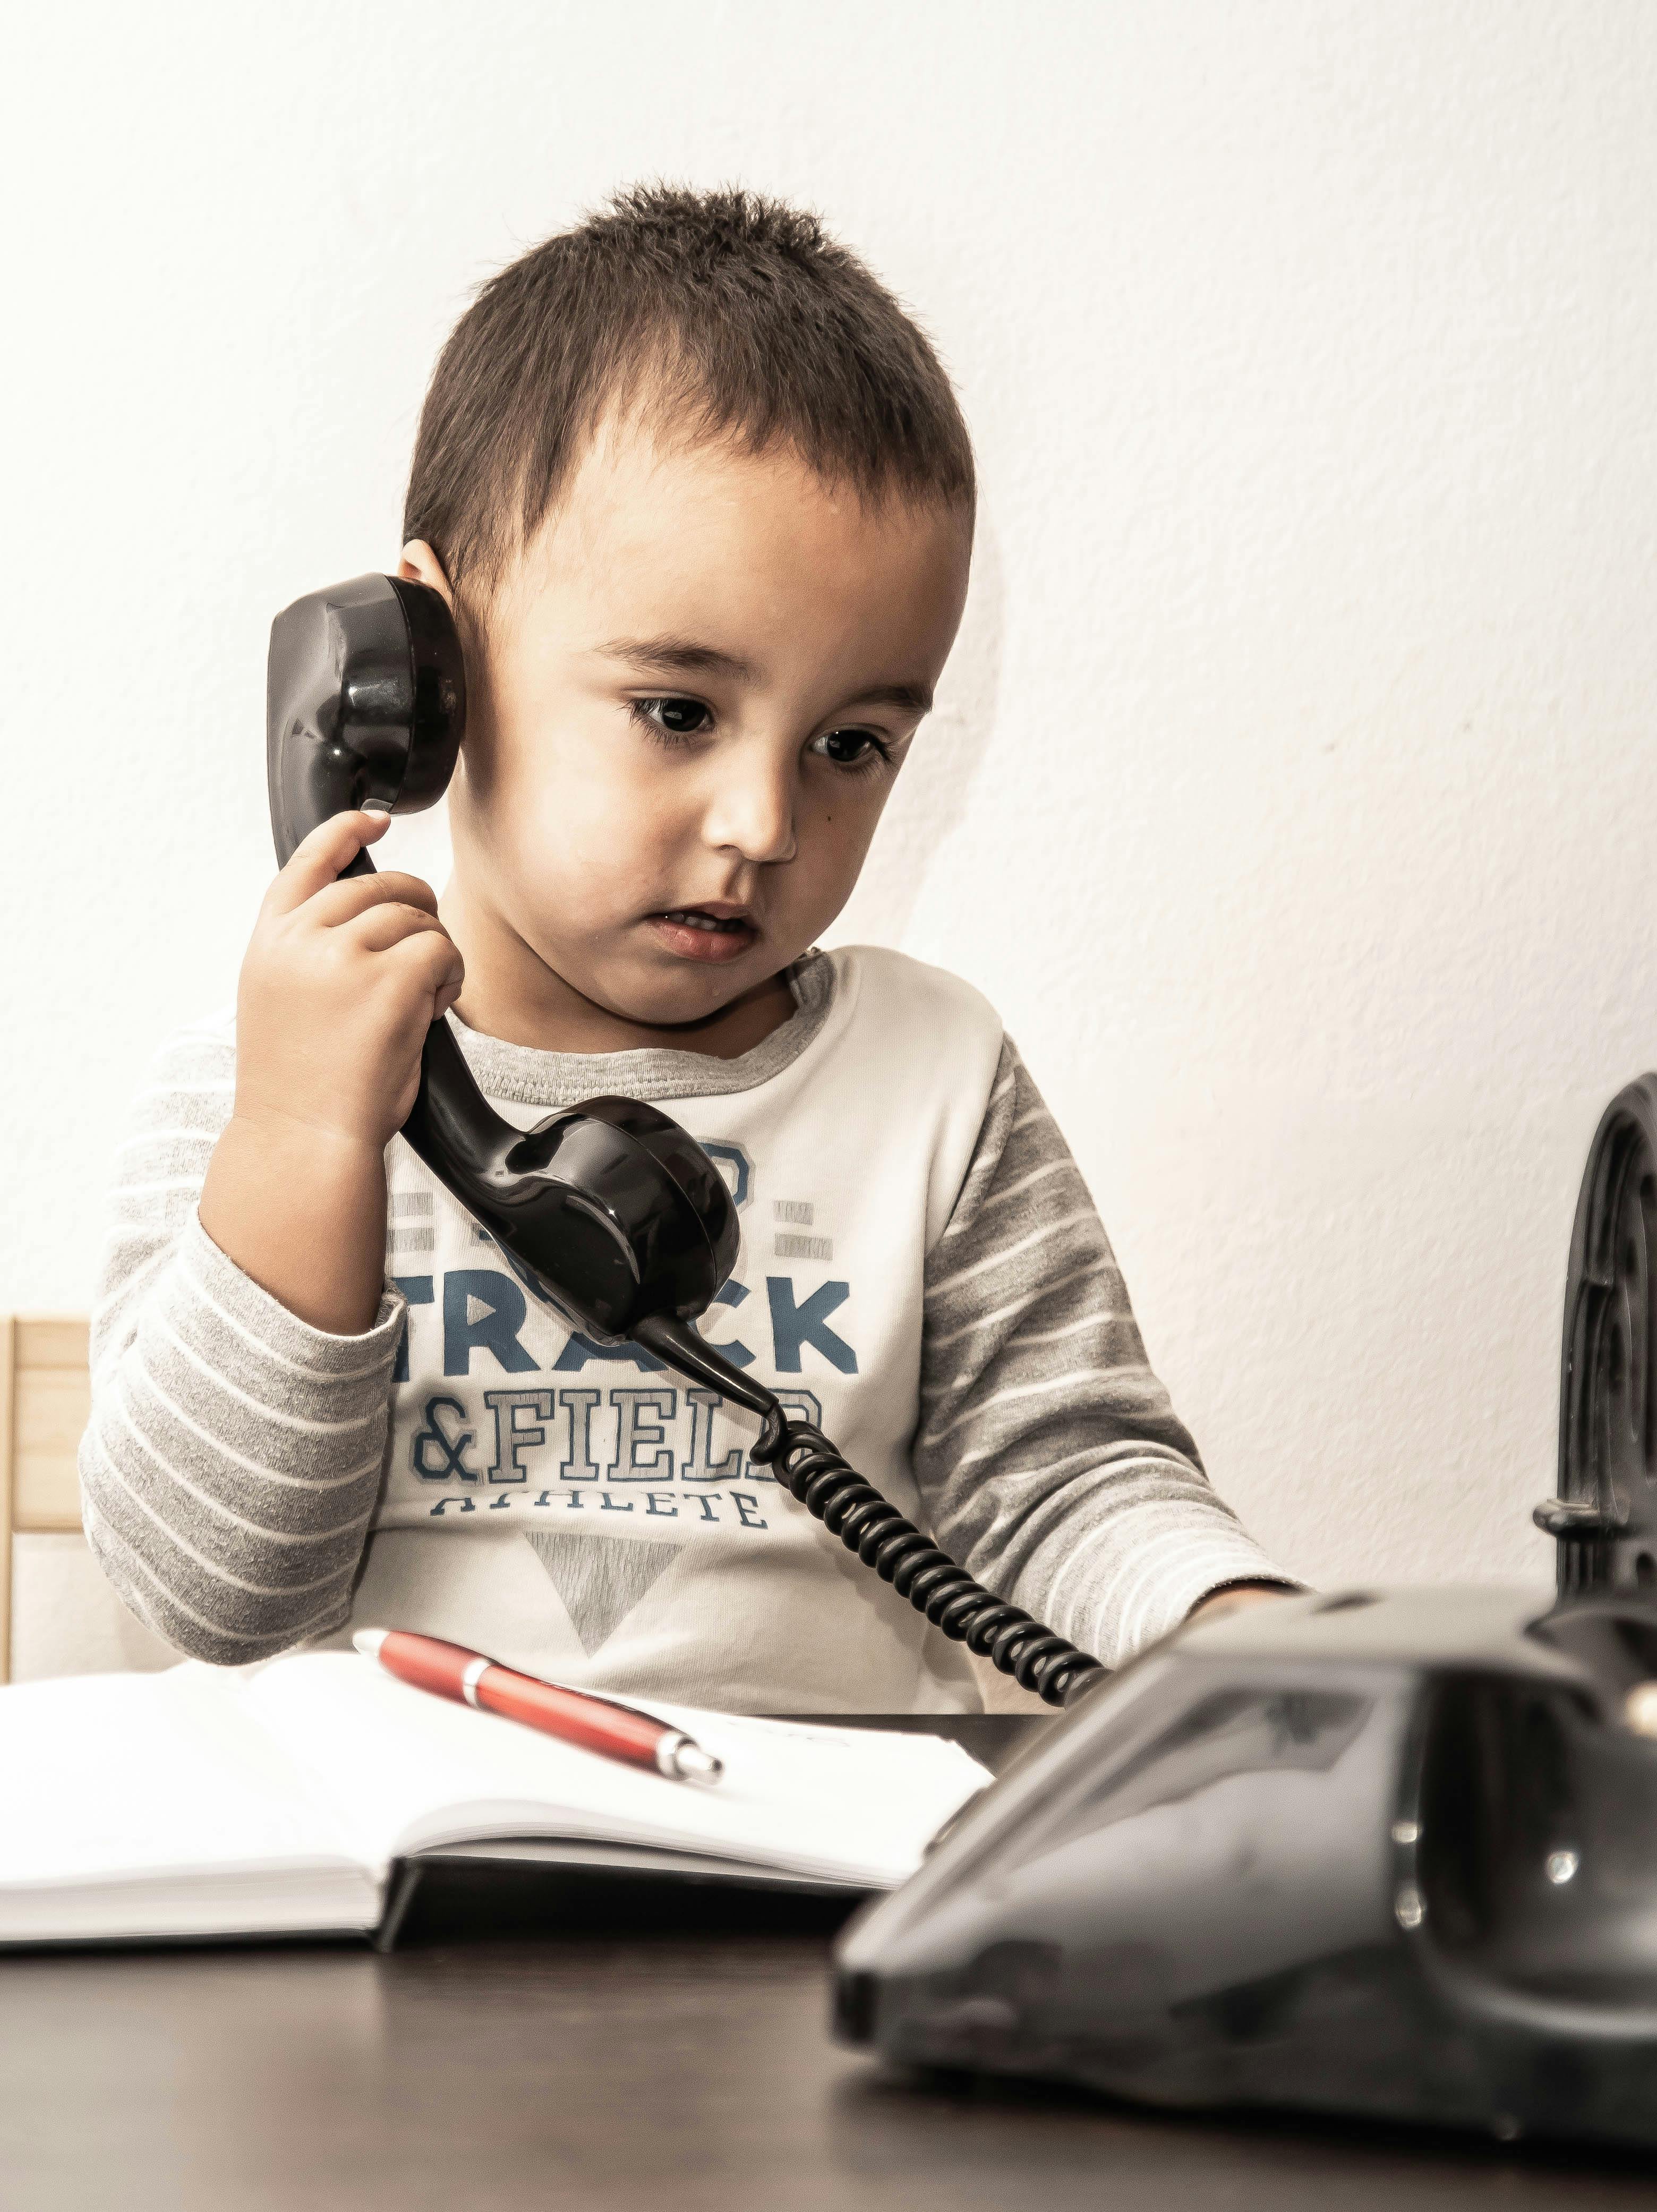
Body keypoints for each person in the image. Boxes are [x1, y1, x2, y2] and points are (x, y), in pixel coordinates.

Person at [80, 185, 1292, 1713]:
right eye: (677, 712)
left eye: (851, 743)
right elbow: (214, 1596)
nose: (763, 823)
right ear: (429, 666)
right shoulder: (255, 1094)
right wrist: (307, 1135)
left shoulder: (936, 1085)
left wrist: (1238, 1626)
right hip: (405, 1851)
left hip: (830, 1852)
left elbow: (1064, 1481)